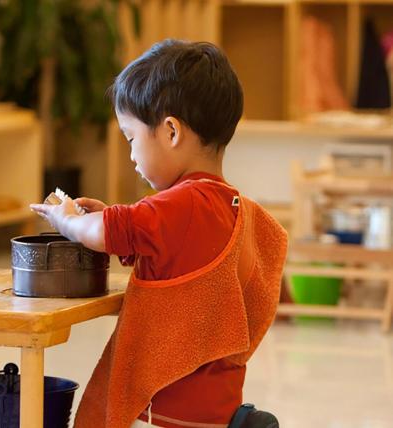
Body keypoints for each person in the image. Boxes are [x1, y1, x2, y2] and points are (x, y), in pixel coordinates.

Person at [30, 39, 288, 428]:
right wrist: (111, 219)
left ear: (170, 132)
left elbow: (106, 232)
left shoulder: (182, 205)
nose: (132, 155)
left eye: (132, 138)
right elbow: (163, 247)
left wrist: (67, 219)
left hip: (165, 408)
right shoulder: (234, 208)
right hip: (213, 408)